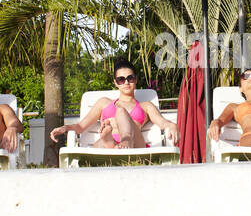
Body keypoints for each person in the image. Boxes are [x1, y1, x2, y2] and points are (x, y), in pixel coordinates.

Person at [51, 58, 179, 150]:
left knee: (121, 111)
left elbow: (162, 122)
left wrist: (172, 125)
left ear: (136, 79)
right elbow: (80, 126)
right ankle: (109, 141)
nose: (126, 82)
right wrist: (65, 128)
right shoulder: (103, 103)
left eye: (130, 78)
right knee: (104, 140)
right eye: (121, 79)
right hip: (109, 146)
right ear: (116, 82)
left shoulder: (146, 106)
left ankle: (125, 139)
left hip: (135, 144)